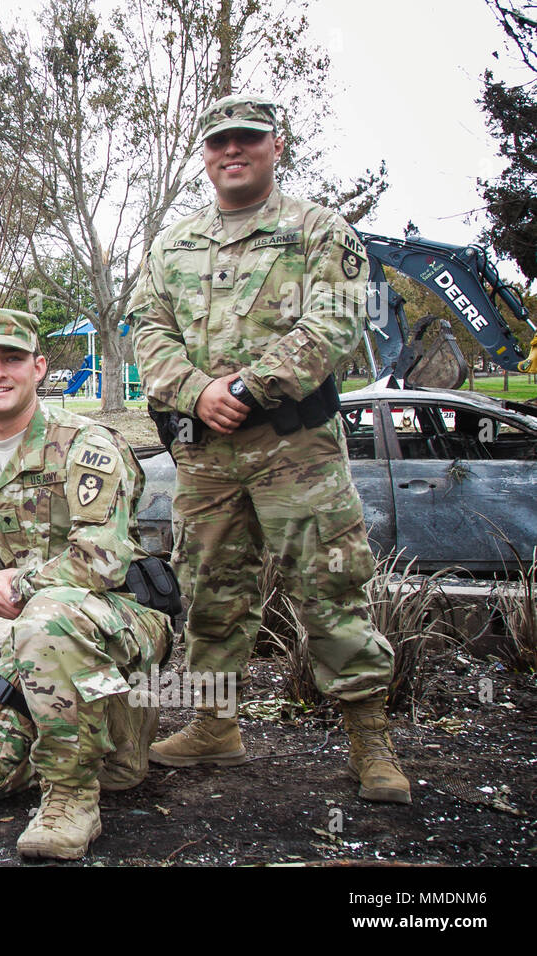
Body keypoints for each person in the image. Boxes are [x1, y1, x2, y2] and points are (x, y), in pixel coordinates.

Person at [128, 94, 411, 803]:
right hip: (205, 459)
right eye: (220, 141)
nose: (233, 151)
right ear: (205, 154)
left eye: (248, 139)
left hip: (296, 453)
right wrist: (195, 392)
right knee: (210, 595)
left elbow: (337, 322)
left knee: (330, 589)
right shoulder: (172, 245)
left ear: (274, 146)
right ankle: (215, 728)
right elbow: (148, 333)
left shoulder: (318, 230)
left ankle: (370, 743)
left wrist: (247, 390)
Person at [0, 308, 176, 861]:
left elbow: (101, 562)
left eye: (13, 359)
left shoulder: (86, 445)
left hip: (120, 620)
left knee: (49, 615)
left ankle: (72, 798)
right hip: (41, 639)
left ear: (39, 368)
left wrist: (15, 585)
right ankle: (105, 729)